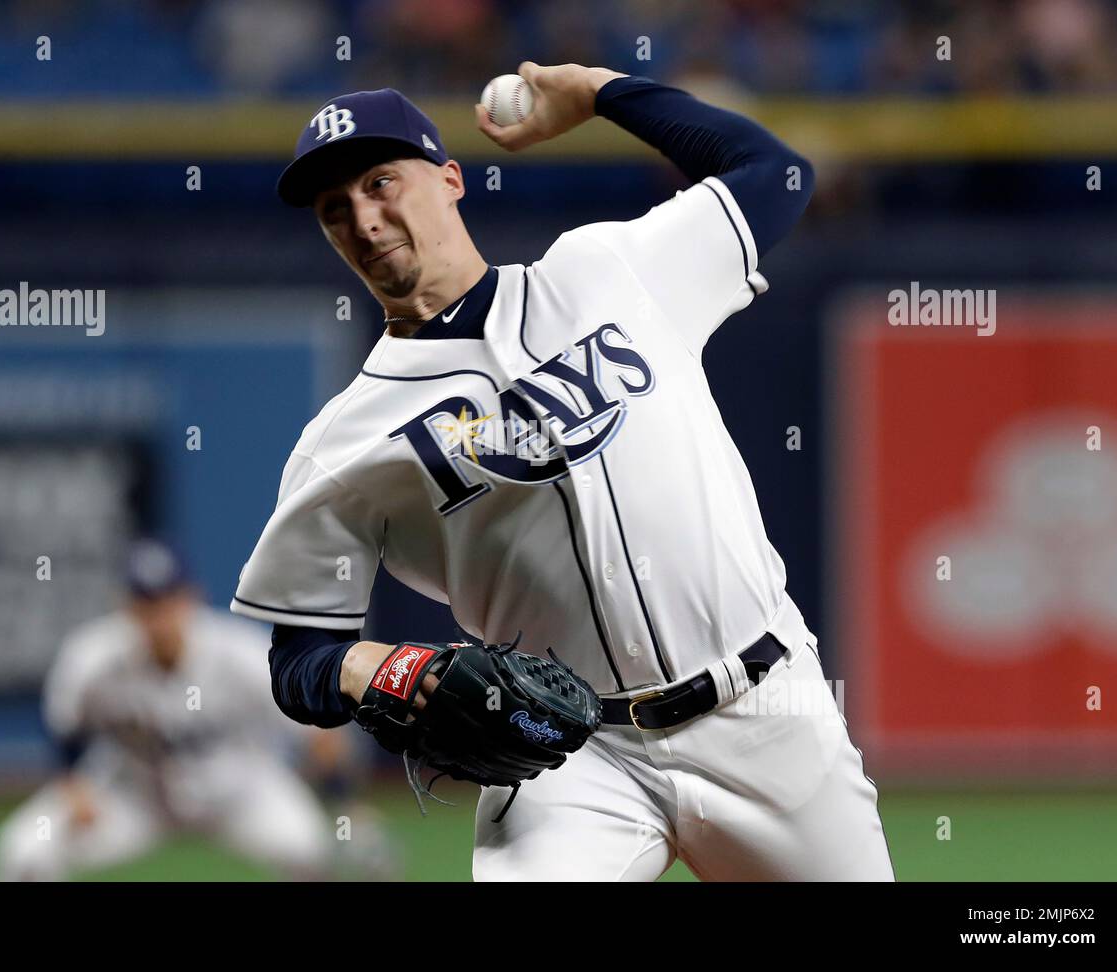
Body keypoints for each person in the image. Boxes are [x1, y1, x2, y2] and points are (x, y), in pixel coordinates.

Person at [232, 63, 894, 880]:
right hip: (569, 760)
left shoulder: (612, 269)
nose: (365, 218)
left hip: (765, 707)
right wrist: (388, 669)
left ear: (449, 180)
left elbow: (776, 172)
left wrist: (598, 93)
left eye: (380, 182)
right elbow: (299, 661)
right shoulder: (344, 441)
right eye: (337, 210)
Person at [0, 539, 338, 881]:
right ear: (124, 606)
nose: (157, 618)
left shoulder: (241, 653)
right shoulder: (93, 657)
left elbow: (316, 734)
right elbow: (64, 725)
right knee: (25, 850)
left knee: (307, 847)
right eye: (144, 604)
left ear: (191, 599)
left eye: (166, 601)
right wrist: (72, 784)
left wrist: (345, 797)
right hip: (135, 795)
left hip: (238, 792)